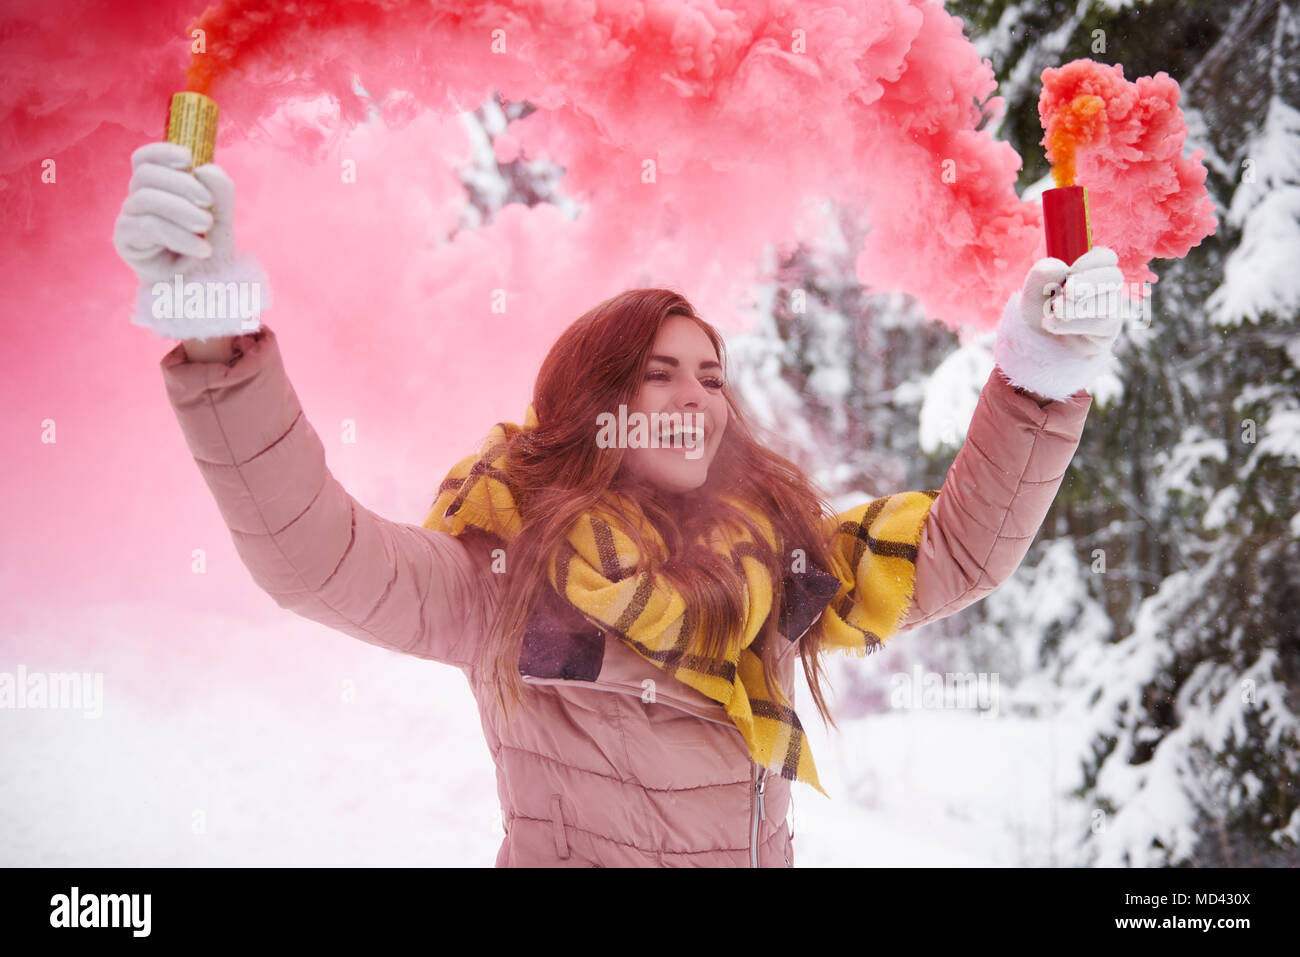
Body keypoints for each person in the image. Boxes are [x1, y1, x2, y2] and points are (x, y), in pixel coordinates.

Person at [113, 141, 1125, 867]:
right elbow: (314, 558)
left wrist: (1038, 377)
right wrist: (218, 333)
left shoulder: (771, 571)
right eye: (658, 374)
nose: (695, 397)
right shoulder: (503, 577)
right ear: (594, 402)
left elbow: (955, 553)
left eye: (711, 375)